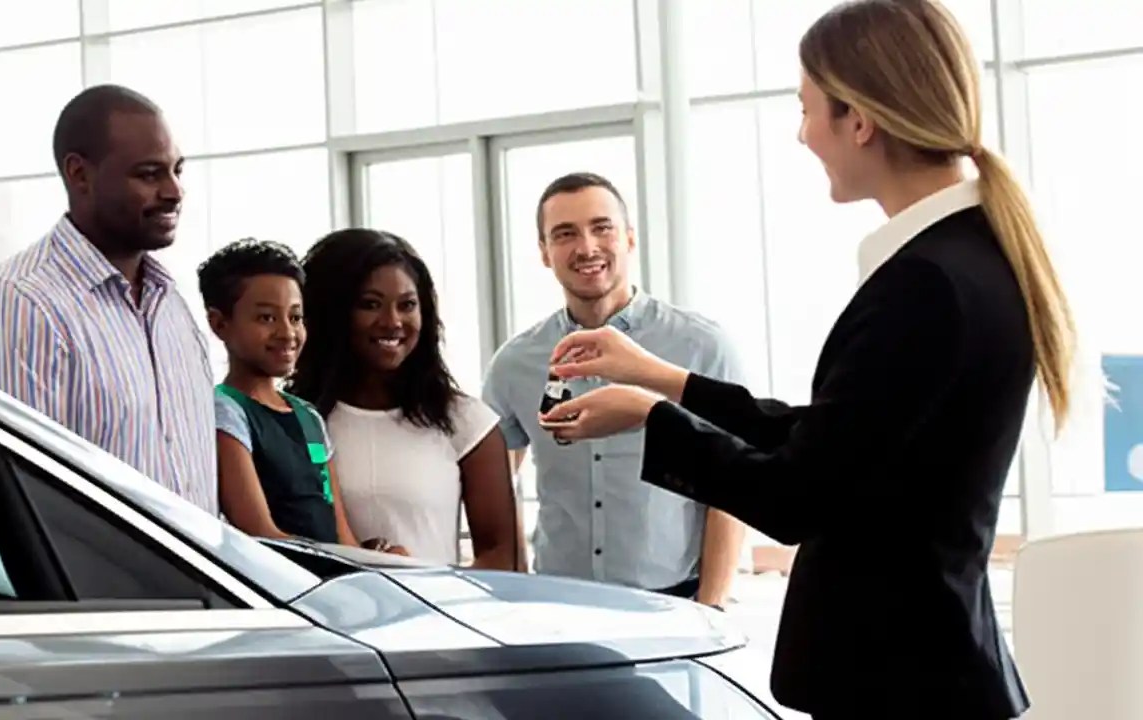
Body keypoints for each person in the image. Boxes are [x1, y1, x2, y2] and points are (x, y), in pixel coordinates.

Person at [538, 2, 1075, 718]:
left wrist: (650, 416)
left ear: (860, 119)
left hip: (900, 684)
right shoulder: (968, 260)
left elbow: (798, 495)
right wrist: (664, 378)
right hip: (926, 675)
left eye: (808, 109)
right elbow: (837, 442)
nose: (802, 134)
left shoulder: (926, 284)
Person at [0, 84, 218, 514]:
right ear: (79, 174)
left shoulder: (171, 306)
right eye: (149, 174)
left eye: (176, 170)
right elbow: (16, 505)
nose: (174, 191)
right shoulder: (17, 306)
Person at [482, 172, 745, 607]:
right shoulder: (515, 362)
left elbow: (732, 489)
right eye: (565, 234)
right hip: (557, 603)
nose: (586, 247)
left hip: (674, 602)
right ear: (545, 253)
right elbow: (495, 482)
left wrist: (711, 607)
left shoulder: (703, 346)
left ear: (628, 238)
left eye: (601, 227)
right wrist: (516, 588)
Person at [294, 228, 523, 570]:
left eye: (407, 305)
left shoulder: (467, 421)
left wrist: (420, 588)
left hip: (433, 619)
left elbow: (502, 560)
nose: (392, 322)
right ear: (331, 311)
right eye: (370, 304)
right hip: (316, 616)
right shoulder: (291, 419)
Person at [197, 238, 407, 554]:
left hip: (327, 579)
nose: (287, 333)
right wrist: (341, 561)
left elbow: (340, 533)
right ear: (219, 323)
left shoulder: (308, 417)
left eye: (295, 317)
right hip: (281, 584)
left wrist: (374, 557)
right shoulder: (225, 411)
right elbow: (259, 532)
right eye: (266, 318)